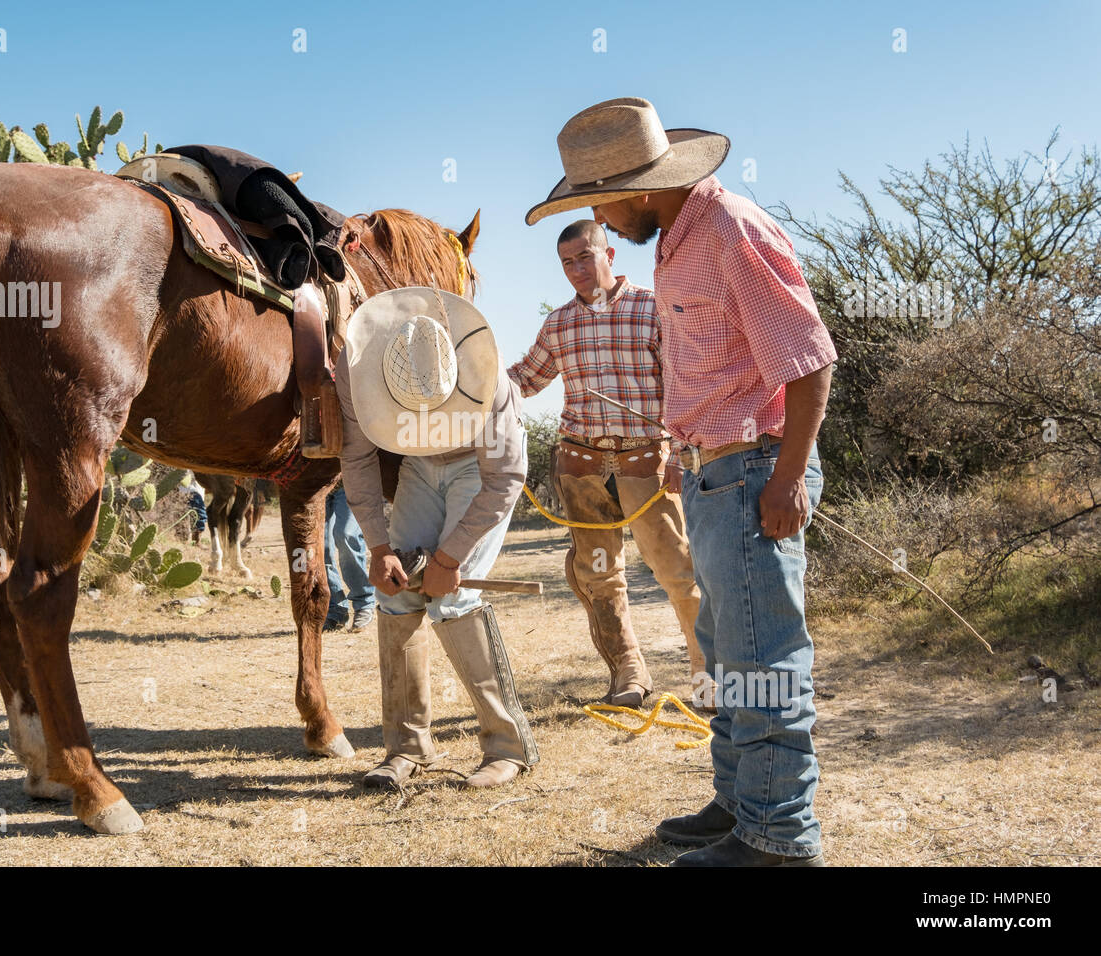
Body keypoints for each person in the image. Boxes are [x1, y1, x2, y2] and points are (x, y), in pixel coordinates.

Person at [528, 97, 837, 866]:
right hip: (707, 472)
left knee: (762, 658)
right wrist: (678, 444)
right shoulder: (677, 240)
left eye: (598, 202)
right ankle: (740, 803)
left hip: (752, 468)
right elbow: (708, 362)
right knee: (726, 650)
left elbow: (808, 356)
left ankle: (779, 839)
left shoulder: (727, 229)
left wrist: (789, 476)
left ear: (634, 191)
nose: (598, 220)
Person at [336, 286, 538, 790]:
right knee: (398, 590)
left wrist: (450, 557)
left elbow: (505, 479)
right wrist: (379, 550)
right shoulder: (354, 371)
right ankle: (406, 748)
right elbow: (358, 461)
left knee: (456, 597)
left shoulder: (493, 384)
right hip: (420, 467)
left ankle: (507, 747)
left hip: (479, 468)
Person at [508, 218, 709, 711]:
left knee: (677, 570)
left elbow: (683, 383)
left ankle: (709, 675)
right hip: (580, 466)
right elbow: (523, 380)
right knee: (599, 574)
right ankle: (629, 674)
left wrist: (682, 453)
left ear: (610, 255)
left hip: (647, 460)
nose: (576, 269)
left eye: (584, 257)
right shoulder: (559, 323)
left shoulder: (651, 307)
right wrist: (463, 377)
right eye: (566, 262)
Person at [323, 484, 376, 632]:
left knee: (346, 534)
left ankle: (364, 603)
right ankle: (336, 609)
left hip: (347, 480)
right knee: (321, 546)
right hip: (319, 482)